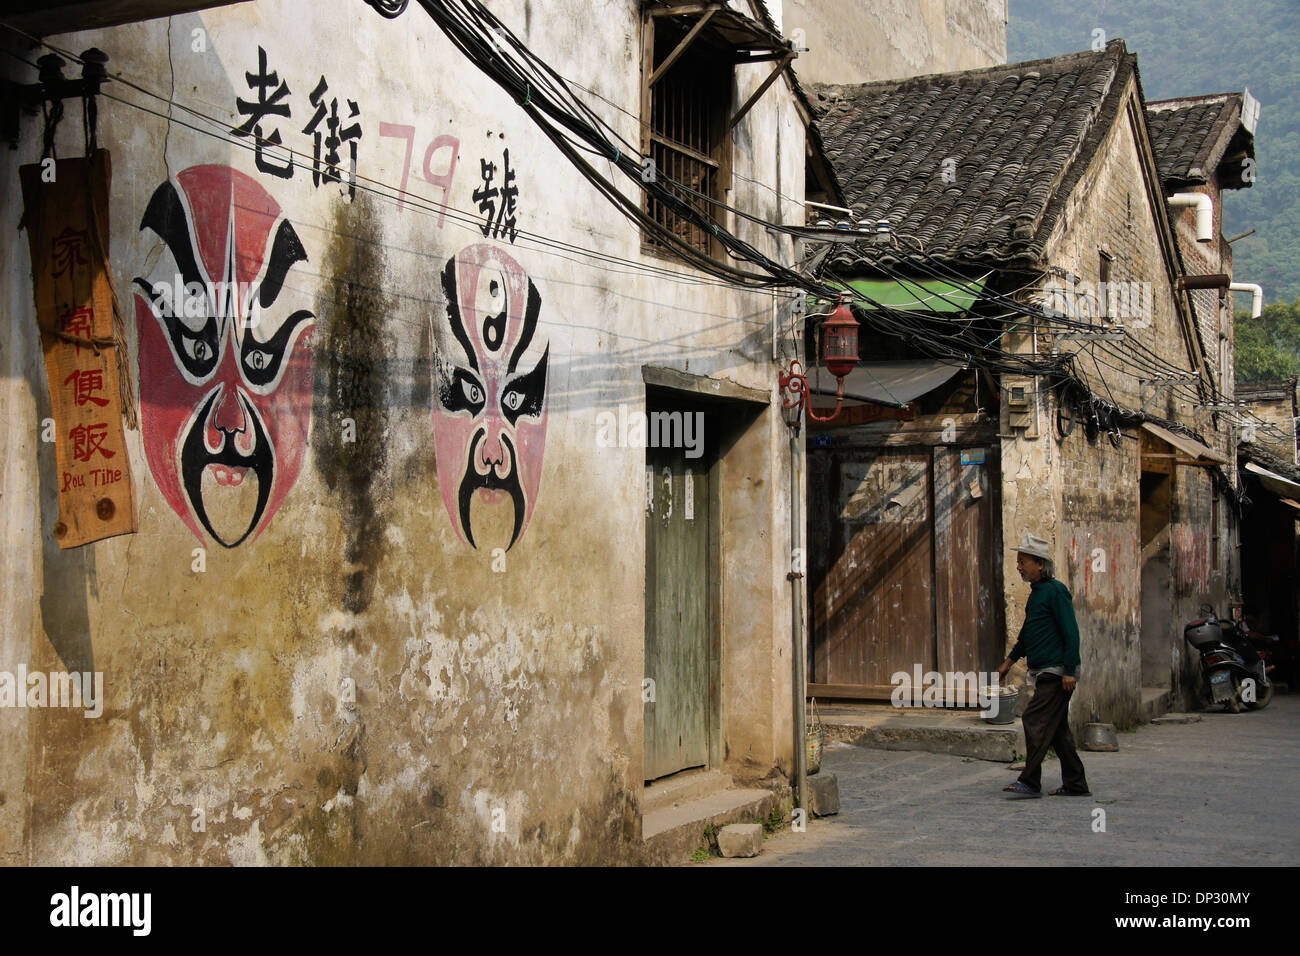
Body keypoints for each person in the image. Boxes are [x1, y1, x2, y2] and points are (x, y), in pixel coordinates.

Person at [997, 533, 1091, 798]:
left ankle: (1030, 781)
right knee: (1058, 731)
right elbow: (1028, 634)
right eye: (1018, 561)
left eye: (1023, 561)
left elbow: (1071, 633)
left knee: (1034, 718)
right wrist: (1008, 662)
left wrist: (1070, 671)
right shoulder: (1036, 594)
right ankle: (1076, 784)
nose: (1019, 566)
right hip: (1043, 670)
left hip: (1056, 671)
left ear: (1040, 564)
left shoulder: (1056, 592)